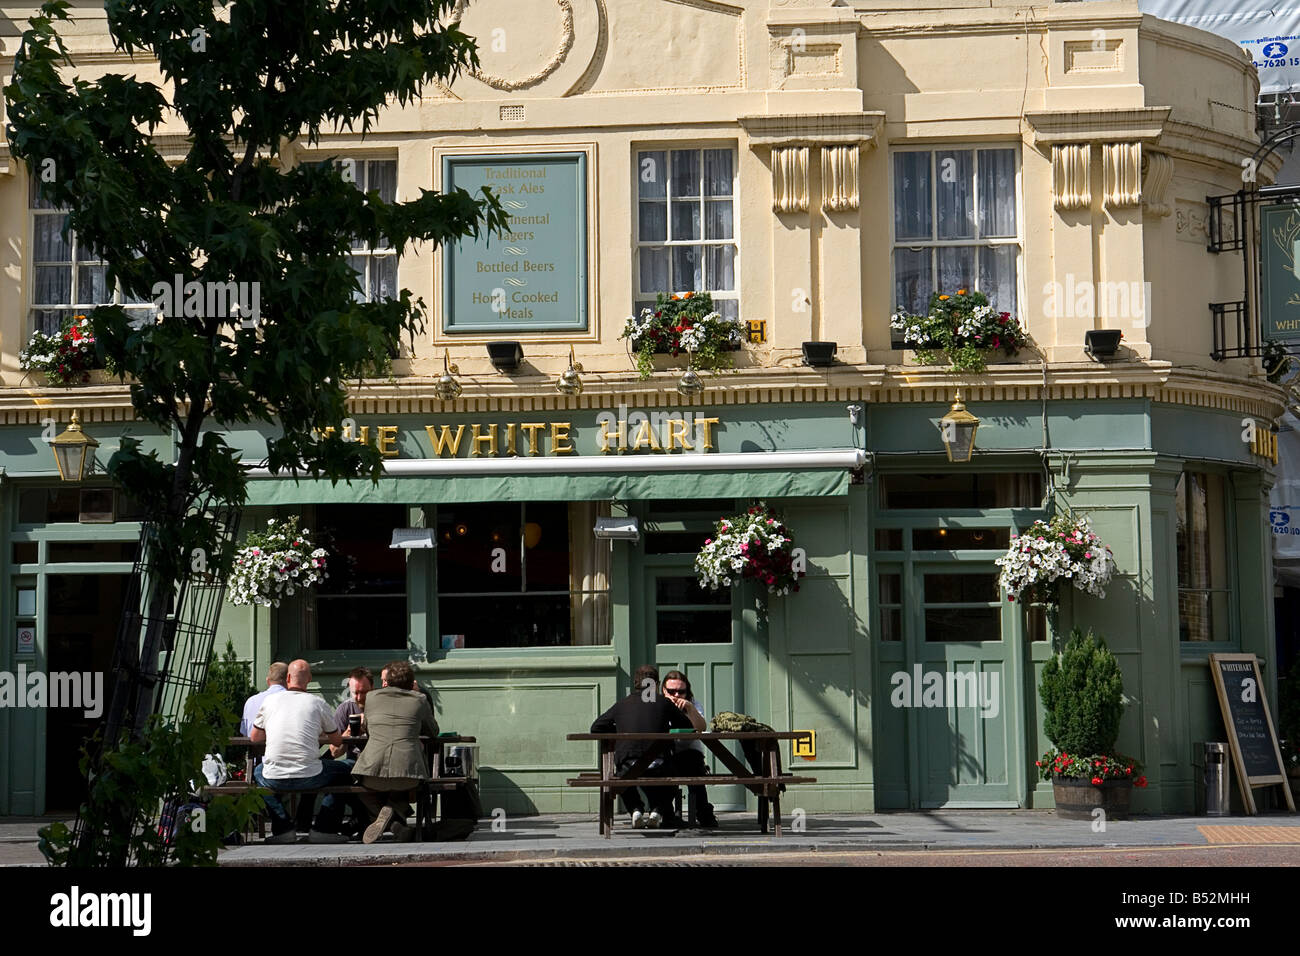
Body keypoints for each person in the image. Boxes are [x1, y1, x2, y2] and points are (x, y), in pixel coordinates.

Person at [250, 659, 353, 844]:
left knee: (257, 773)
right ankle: (323, 828)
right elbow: (337, 741)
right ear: (310, 680)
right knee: (346, 769)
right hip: (310, 774)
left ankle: (283, 829)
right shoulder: (317, 703)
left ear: (288, 678)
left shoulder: (269, 701)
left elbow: (255, 738)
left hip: (274, 775)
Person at [590, 664, 694, 829]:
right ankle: (657, 810)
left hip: (627, 763)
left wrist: (618, 731)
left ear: (635, 683)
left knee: (623, 775)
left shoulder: (622, 704)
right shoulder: (664, 703)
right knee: (673, 775)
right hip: (659, 764)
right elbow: (688, 727)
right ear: (657, 683)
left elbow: (596, 727)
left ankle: (635, 809)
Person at [353, 659, 439, 844]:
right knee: (405, 785)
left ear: (387, 682)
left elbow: (367, 729)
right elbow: (433, 732)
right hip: (410, 773)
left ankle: (390, 819)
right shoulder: (420, 700)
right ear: (411, 683)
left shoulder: (372, 698)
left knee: (360, 789)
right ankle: (394, 815)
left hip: (371, 771)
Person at [661, 670, 719, 829]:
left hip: (689, 751)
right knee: (662, 767)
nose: (677, 694)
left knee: (693, 767)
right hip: (665, 751)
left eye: (681, 691)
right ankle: (667, 814)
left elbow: (701, 728)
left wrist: (690, 708)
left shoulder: (692, 703)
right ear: (664, 690)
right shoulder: (658, 704)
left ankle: (704, 814)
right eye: (672, 691)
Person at [330, 666, 373, 762]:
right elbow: (335, 753)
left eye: (364, 692)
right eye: (355, 693)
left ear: (372, 687)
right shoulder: (345, 709)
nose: (359, 698)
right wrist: (349, 731)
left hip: (378, 760)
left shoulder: (383, 706)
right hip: (354, 761)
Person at [240, 661, 287, 737]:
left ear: (268, 681)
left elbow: (244, 732)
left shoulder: (251, 701)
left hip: (254, 747)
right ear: (288, 680)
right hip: (281, 747)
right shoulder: (290, 700)